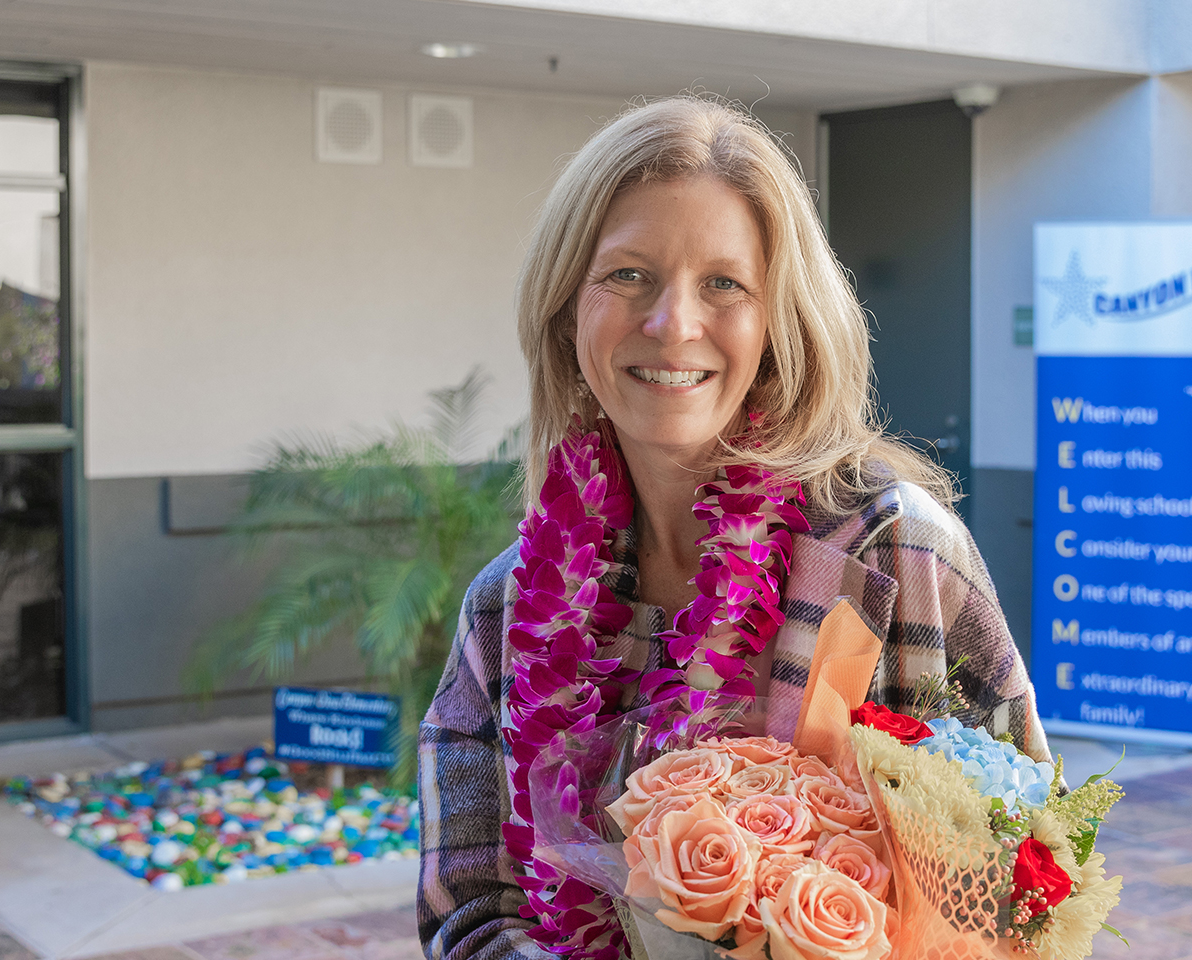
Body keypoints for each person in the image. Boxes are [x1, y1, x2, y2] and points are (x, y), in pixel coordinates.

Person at [417, 95, 1047, 960]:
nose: (673, 323)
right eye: (628, 274)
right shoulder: (508, 609)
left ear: (775, 321)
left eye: (724, 283)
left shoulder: (894, 554)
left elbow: (1023, 876)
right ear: (568, 311)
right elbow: (467, 912)